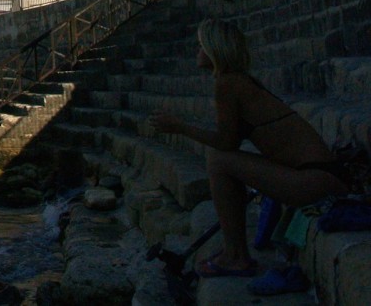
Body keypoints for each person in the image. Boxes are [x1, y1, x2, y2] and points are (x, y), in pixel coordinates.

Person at [151, 19, 352, 278]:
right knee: (222, 159)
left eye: (201, 45)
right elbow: (231, 142)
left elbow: (226, 144)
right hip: (321, 177)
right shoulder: (239, 81)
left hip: (316, 181)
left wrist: (180, 127)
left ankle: (236, 256)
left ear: (215, 49)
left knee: (219, 160)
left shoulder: (228, 84)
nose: (197, 51)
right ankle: (234, 253)